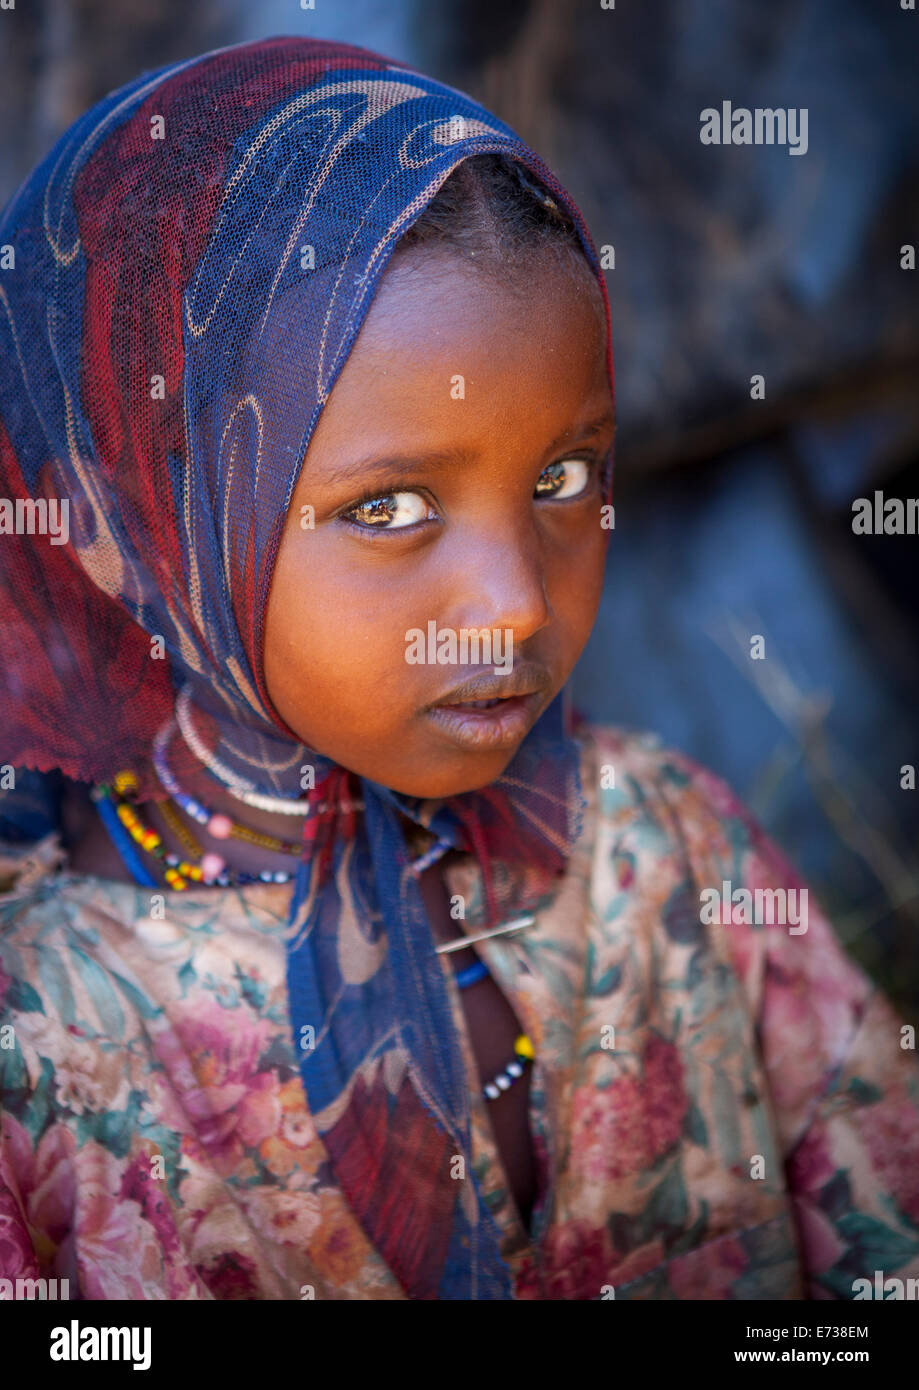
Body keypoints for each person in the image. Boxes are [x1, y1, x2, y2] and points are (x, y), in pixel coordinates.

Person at [1, 35, 917, 1302]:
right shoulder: (40, 1046)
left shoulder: (666, 856)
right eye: (387, 508)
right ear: (118, 529)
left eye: (561, 479)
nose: (513, 601)